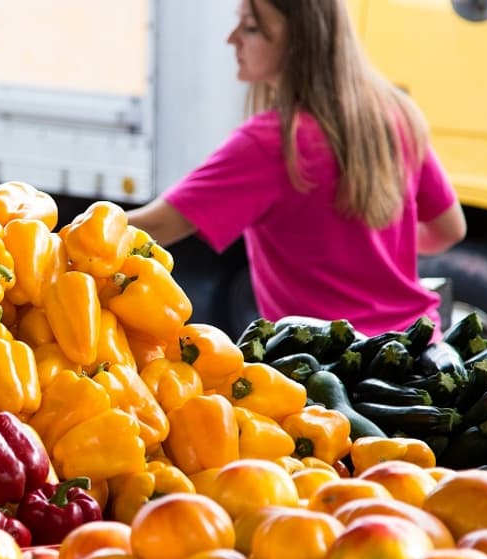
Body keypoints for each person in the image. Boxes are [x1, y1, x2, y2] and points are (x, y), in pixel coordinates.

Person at [126, 0, 467, 337]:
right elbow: (449, 230)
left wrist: (76, 233)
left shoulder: (271, 143)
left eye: (251, 27)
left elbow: (156, 226)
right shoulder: (395, 115)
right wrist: (378, 250)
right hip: (415, 352)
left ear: (298, 44)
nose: (232, 39)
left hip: (328, 367)